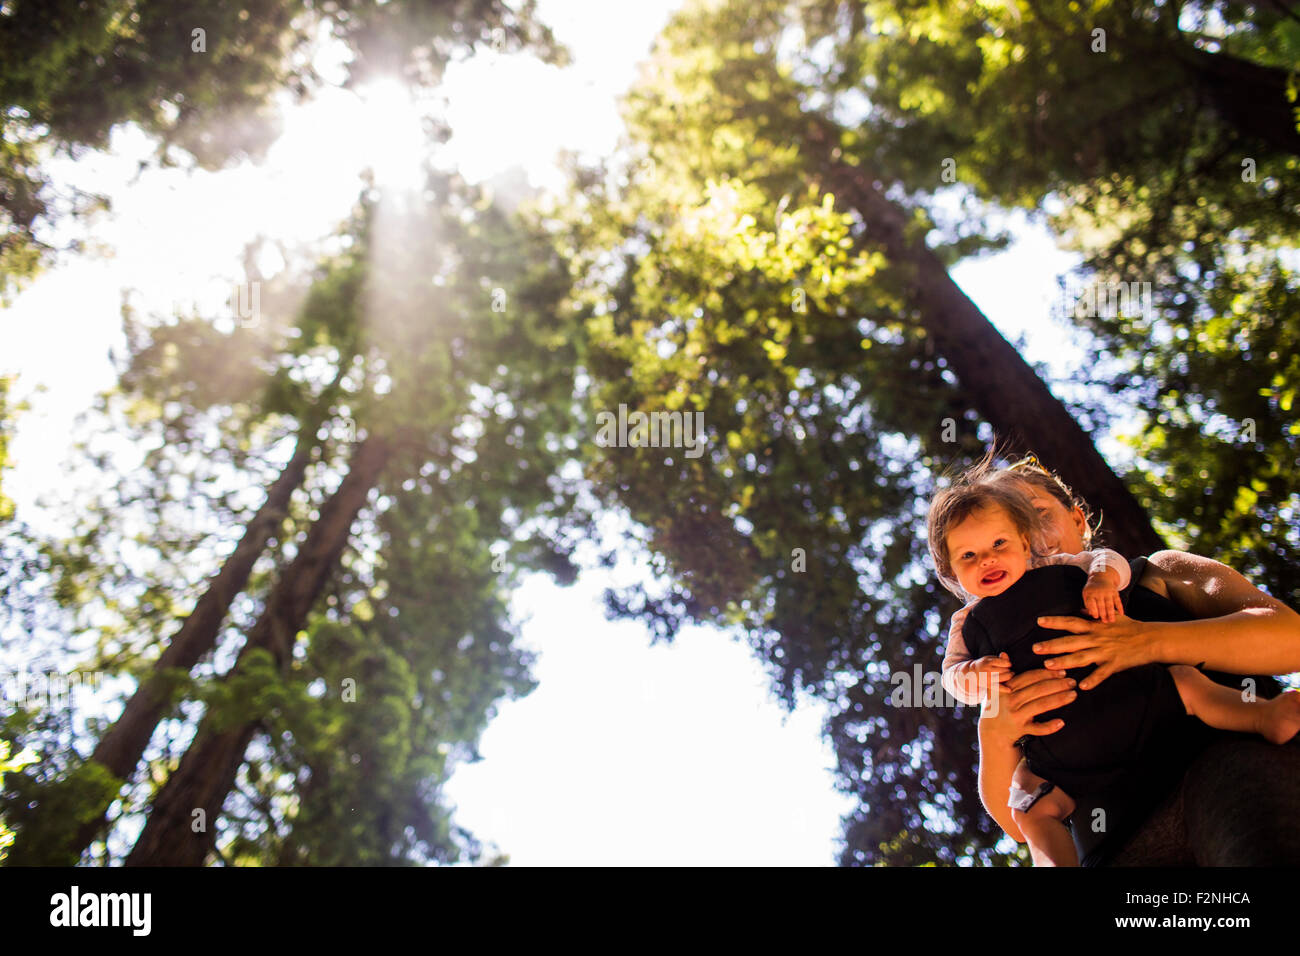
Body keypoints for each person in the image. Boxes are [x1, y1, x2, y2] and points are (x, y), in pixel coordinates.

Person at [926, 472, 1300, 865]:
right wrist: (996, 734)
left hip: (1226, 770)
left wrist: (1148, 641)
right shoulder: (993, 637)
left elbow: (1291, 638)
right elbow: (1015, 820)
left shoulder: (1154, 573)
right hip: (1112, 845)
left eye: (1036, 515)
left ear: (1077, 520)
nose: (1031, 538)